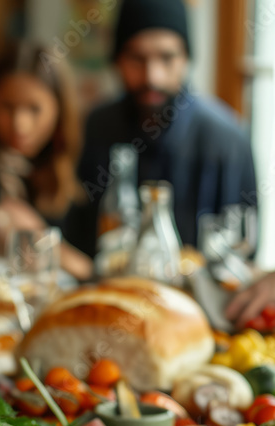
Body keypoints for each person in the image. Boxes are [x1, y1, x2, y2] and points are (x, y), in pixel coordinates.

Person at [64, 0, 257, 257]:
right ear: (118, 60)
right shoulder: (98, 126)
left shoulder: (228, 139)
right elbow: (77, 231)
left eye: (167, 58)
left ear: (186, 58)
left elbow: (244, 251)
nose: (152, 76)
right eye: (137, 58)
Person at [0, 42, 93, 281]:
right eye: (7, 107)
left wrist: (39, 240)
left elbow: (91, 269)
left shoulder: (82, 167)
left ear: (59, 108)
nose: (20, 124)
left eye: (34, 109)